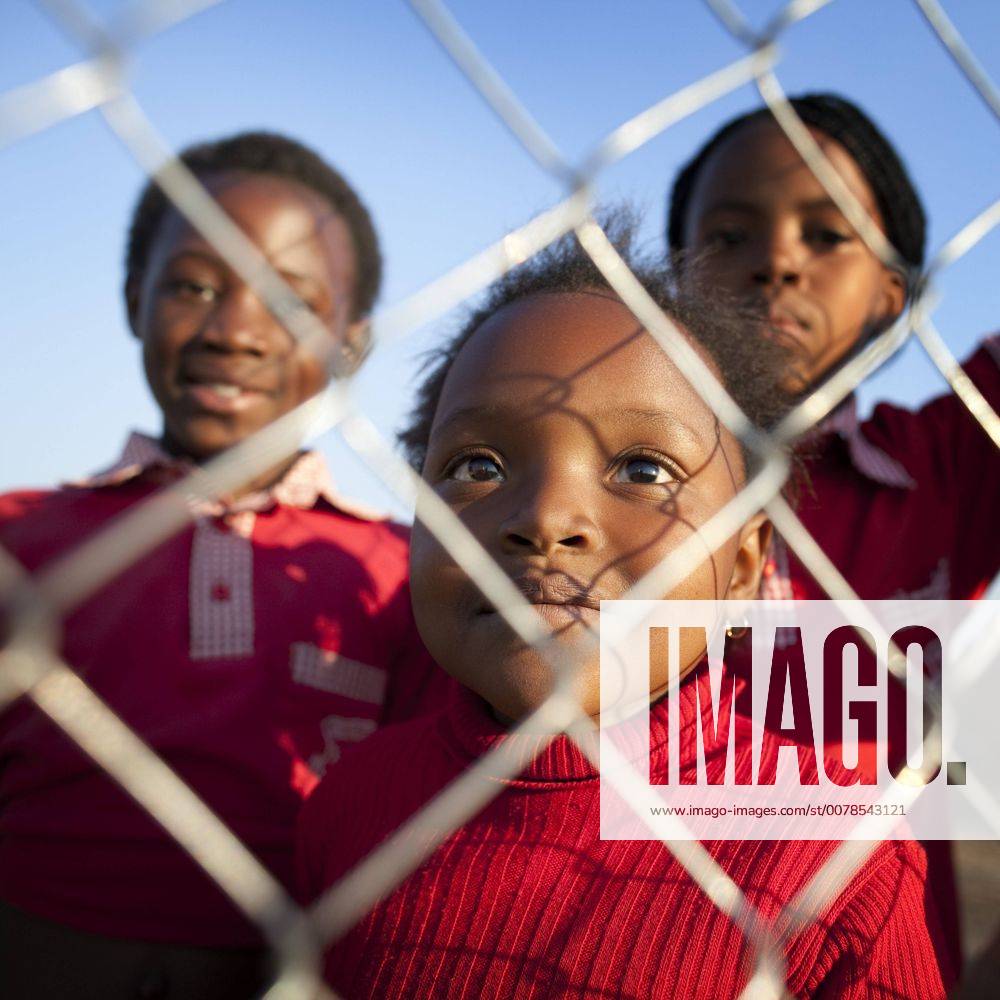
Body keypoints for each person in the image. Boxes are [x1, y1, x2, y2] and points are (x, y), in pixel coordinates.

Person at [298, 222, 952, 998]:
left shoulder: (832, 851)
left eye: (644, 469)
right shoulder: (349, 802)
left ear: (742, 568)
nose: (546, 519)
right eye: (479, 465)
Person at [0, 131, 448, 998]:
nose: (233, 332)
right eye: (194, 286)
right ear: (136, 300)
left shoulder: (404, 574)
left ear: (350, 347)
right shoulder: (20, 539)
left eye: (288, 303)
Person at [666, 91, 999, 604]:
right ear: (678, 283)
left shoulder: (948, 466)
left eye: (826, 234)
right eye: (729, 237)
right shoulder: (595, 464)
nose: (778, 261)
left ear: (891, 294)